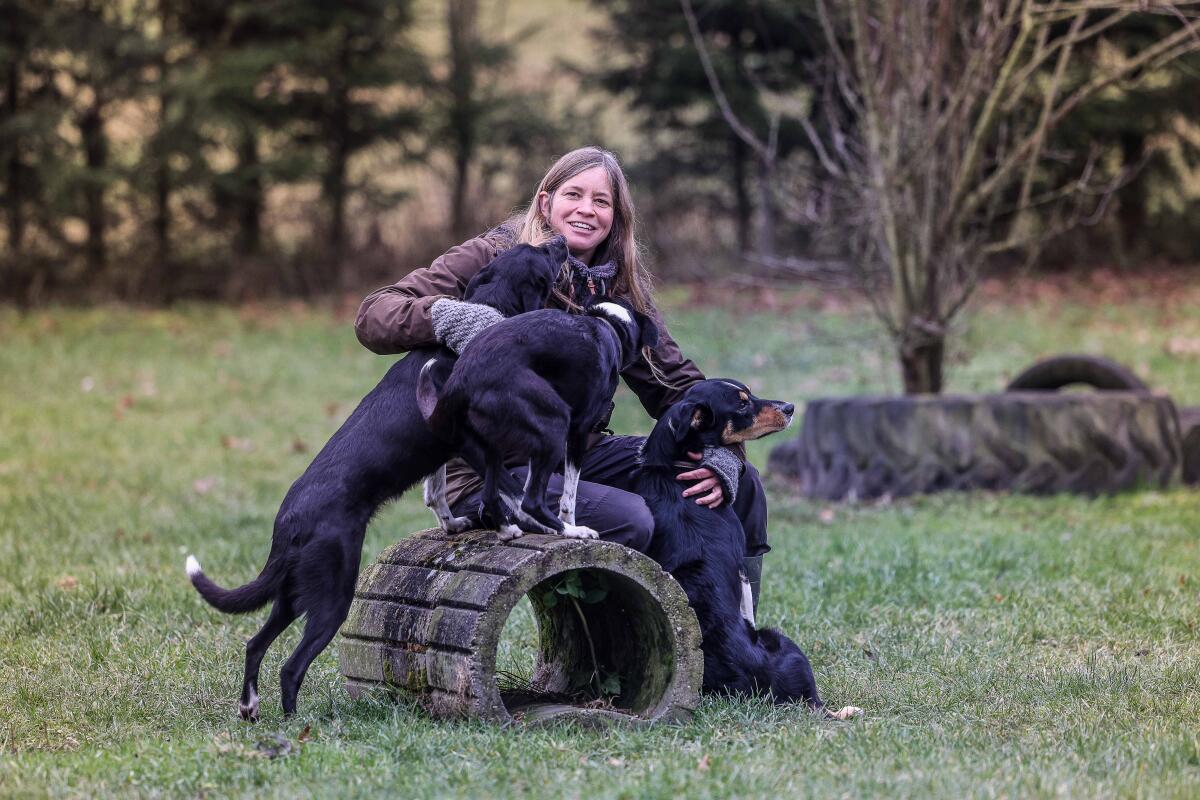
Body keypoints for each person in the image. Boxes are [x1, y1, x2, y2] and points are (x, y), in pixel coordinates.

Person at [355, 146, 770, 611]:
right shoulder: (495, 255)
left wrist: (723, 455)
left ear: (617, 217)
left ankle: (737, 628)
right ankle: (616, 654)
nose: (586, 210)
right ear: (545, 201)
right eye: (574, 194)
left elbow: (677, 387)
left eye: (602, 201)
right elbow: (375, 314)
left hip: (575, 456)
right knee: (631, 519)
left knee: (745, 484)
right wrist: (463, 320)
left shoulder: (619, 289)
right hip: (485, 471)